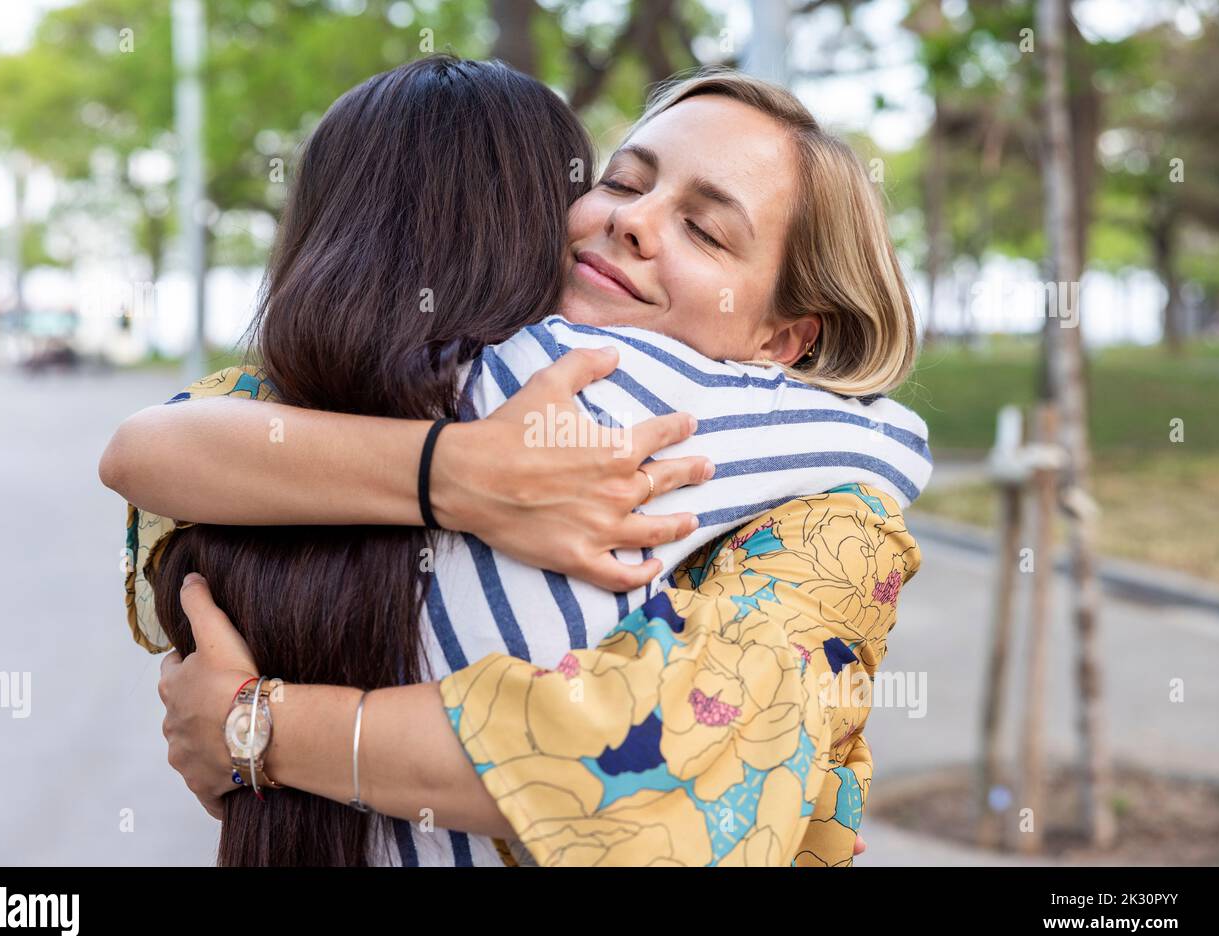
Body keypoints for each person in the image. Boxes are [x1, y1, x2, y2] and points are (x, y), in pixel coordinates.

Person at [102, 60, 928, 865]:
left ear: (779, 340)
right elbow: (147, 447)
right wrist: (458, 473)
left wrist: (255, 727)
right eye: (622, 181)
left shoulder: (830, 521)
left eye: (705, 229)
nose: (634, 220)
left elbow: (648, 776)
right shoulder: (427, 363)